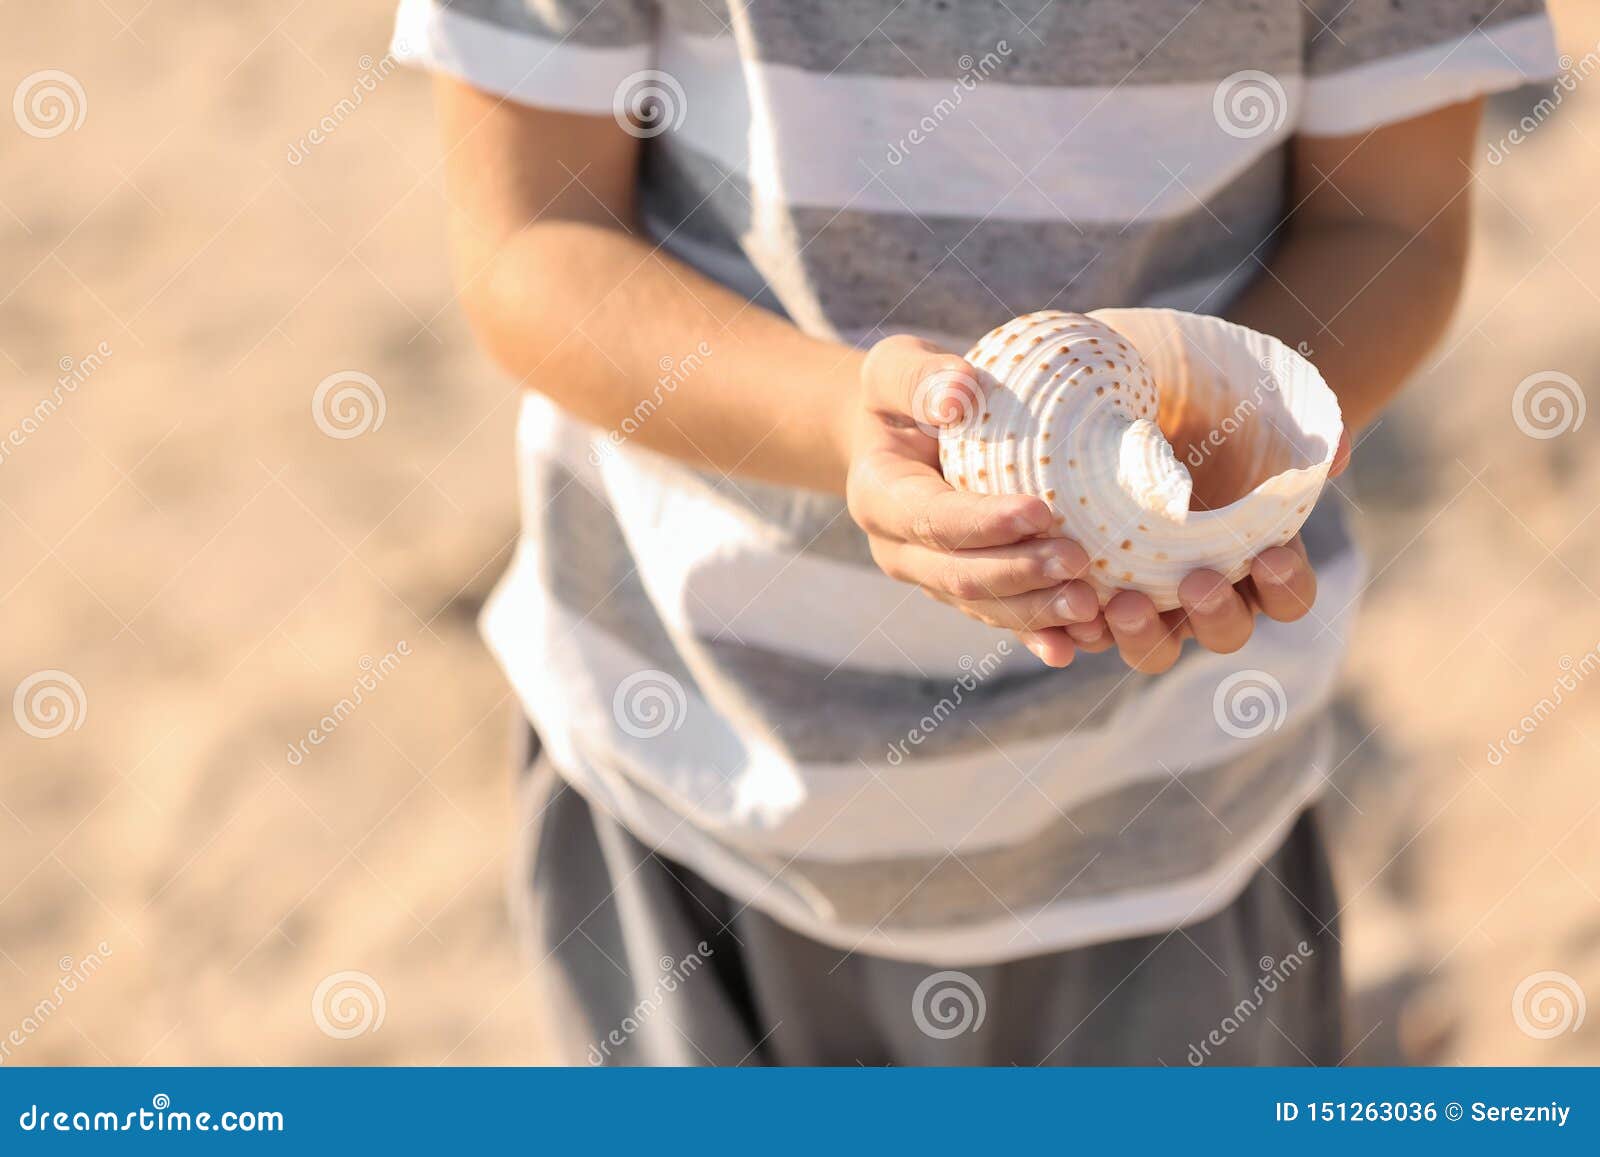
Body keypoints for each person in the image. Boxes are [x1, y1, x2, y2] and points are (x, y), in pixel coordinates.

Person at [392, 0, 1558, 1064]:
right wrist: (839, 424)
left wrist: (1233, 457)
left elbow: (1389, 222)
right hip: (691, 753)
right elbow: (531, 238)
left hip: (1172, 792)